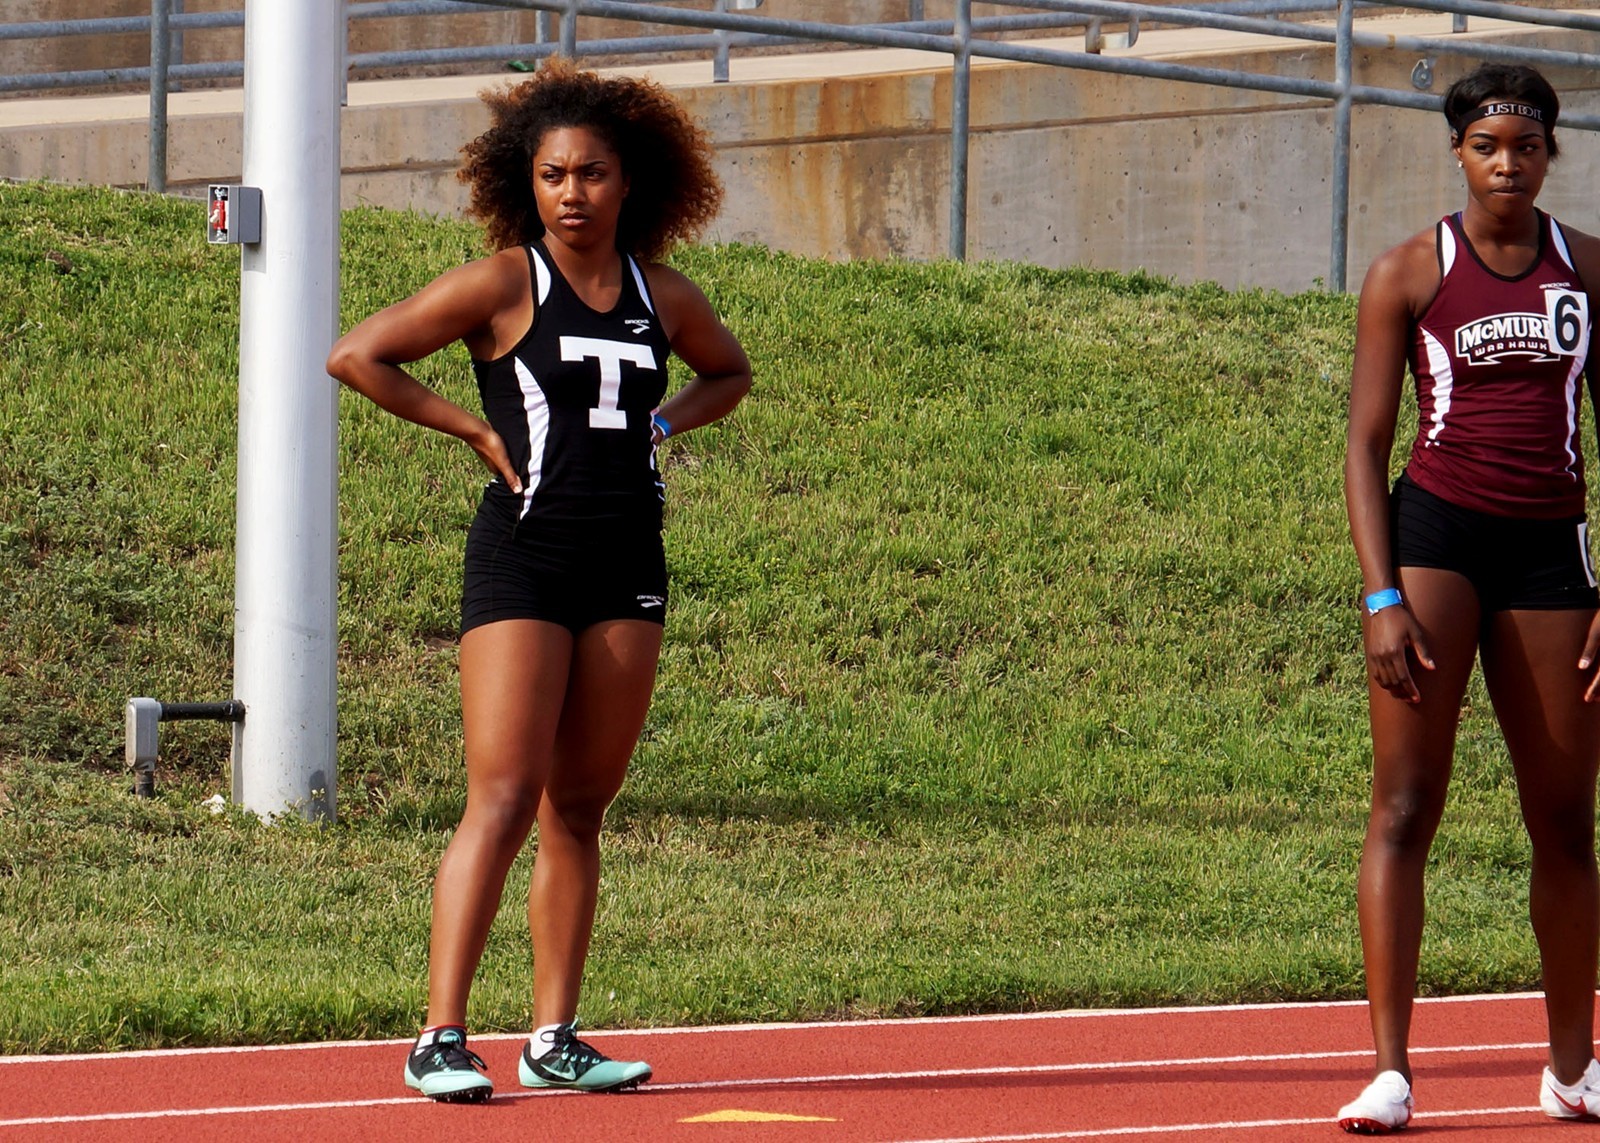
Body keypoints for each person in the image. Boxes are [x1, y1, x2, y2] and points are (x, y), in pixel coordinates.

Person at [327, 63, 751, 1103]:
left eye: (592, 174)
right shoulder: (506, 282)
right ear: (528, 183)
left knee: (582, 805)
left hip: (626, 562)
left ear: (628, 181)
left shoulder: (665, 294)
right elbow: (359, 355)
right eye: (554, 174)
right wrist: (471, 426)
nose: (572, 192)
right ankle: (440, 1037)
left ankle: (554, 1035)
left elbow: (729, 374)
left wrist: (667, 420)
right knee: (504, 796)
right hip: (524, 553)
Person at [1339, 63, 1600, 1133]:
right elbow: (1361, 445)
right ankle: (1391, 1072)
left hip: (1552, 558)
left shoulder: (1585, 268)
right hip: (1436, 543)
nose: (1508, 164)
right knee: (1405, 810)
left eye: (1527, 147)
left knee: (1565, 823)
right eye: (1489, 145)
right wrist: (1379, 597)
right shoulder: (1408, 272)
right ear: (1458, 152)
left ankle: (1572, 1070)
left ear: (1550, 156)